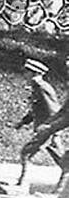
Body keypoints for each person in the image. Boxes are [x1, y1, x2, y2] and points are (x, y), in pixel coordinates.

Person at [16, 58, 63, 187]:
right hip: (48, 129)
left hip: (48, 129)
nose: (24, 74)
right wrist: (23, 122)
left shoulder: (42, 88)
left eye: (27, 72)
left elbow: (53, 110)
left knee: (26, 152)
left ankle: (22, 182)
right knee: (60, 158)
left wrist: (50, 128)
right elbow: (35, 110)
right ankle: (63, 185)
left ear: (35, 73)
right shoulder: (37, 88)